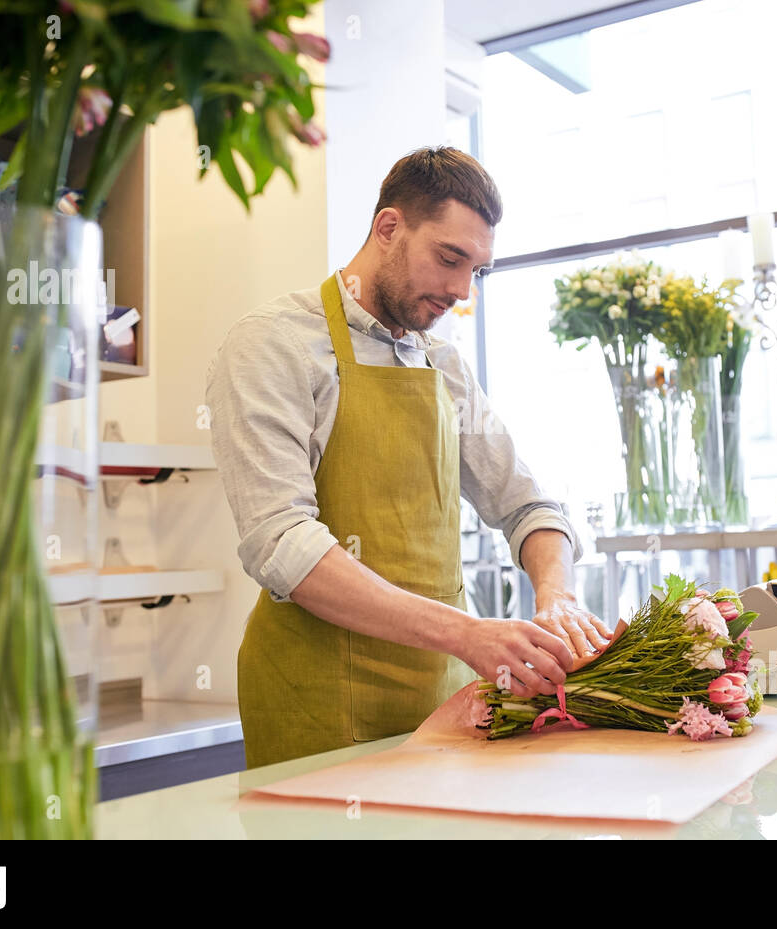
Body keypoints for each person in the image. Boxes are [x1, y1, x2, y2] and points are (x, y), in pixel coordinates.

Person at [206, 146, 612, 768]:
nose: (460, 290)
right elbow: (281, 542)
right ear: (388, 227)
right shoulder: (274, 344)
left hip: (444, 703)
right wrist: (469, 634)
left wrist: (556, 594)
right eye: (449, 259)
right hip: (316, 705)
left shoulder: (442, 365)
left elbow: (527, 504)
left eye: (476, 269)